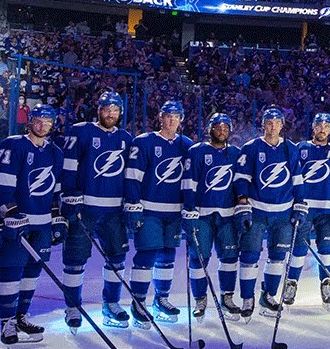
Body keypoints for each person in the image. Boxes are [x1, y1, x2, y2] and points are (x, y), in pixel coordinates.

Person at [0, 104, 63, 345]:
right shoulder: (14, 145)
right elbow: (1, 185)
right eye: (39, 121)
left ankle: (21, 315)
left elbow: (54, 191)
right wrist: (9, 213)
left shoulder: (55, 152)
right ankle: (7, 321)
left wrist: (57, 218)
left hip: (42, 224)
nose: (43, 126)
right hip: (17, 222)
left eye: (48, 122)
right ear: (30, 121)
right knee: (10, 271)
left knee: (32, 272)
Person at [61, 91, 134, 330]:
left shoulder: (125, 138)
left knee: (117, 258)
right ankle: (73, 306)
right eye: (107, 109)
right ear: (99, 110)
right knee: (75, 259)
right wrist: (70, 195)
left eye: (115, 110)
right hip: (85, 208)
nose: (111, 114)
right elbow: (69, 166)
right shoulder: (81, 131)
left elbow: (129, 175)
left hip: (114, 210)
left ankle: (111, 303)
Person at [124, 100, 194, 327]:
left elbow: (190, 180)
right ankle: (139, 302)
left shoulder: (187, 145)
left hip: (174, 212)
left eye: (176, 116)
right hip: (149, 209)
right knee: (146, 255)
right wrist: (133, 204)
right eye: (168, 116)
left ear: (181, 119)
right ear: (160, 118)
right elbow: (133, 174)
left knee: (167, 257)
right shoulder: (144, 142)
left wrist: (190, 207)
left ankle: (161, 299)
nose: (172, 120)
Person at [234, 106, 303, 317]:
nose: (272, 127)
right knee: (249, 256)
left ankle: (269, 295)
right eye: (269, 123)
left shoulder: (290, 149)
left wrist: (300, 205)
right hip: (257, 210)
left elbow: (297, 180)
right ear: (263, 125)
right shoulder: (251, 147)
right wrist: (243, 204)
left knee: (277, 257)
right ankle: (247, 298)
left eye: (276, 123)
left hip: (282, 213)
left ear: (282, 125)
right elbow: (242, 178)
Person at [183, 113, 245, 319]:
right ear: (210, 129)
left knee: (229, 257)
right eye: (218, 127)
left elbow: (240, 183)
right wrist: (189, 208)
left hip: (227, 215)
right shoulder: (197, 152)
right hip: (202, 214)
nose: (222, 131)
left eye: (226, 128)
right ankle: (200, 299)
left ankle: (227, 297)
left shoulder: (236, 154)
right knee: (199, 258)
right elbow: (189, 183)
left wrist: (243, 207)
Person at [291, 113, 330, 305]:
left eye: (326, 126)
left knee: (327, 249)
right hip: (304, 209)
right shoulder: (301, 149)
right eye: (319, 126)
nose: (322, 129)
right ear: (313, 128)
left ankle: (326, 283)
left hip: (327, 210)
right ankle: (291, 284)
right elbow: (292, 178)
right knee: (299, 248)